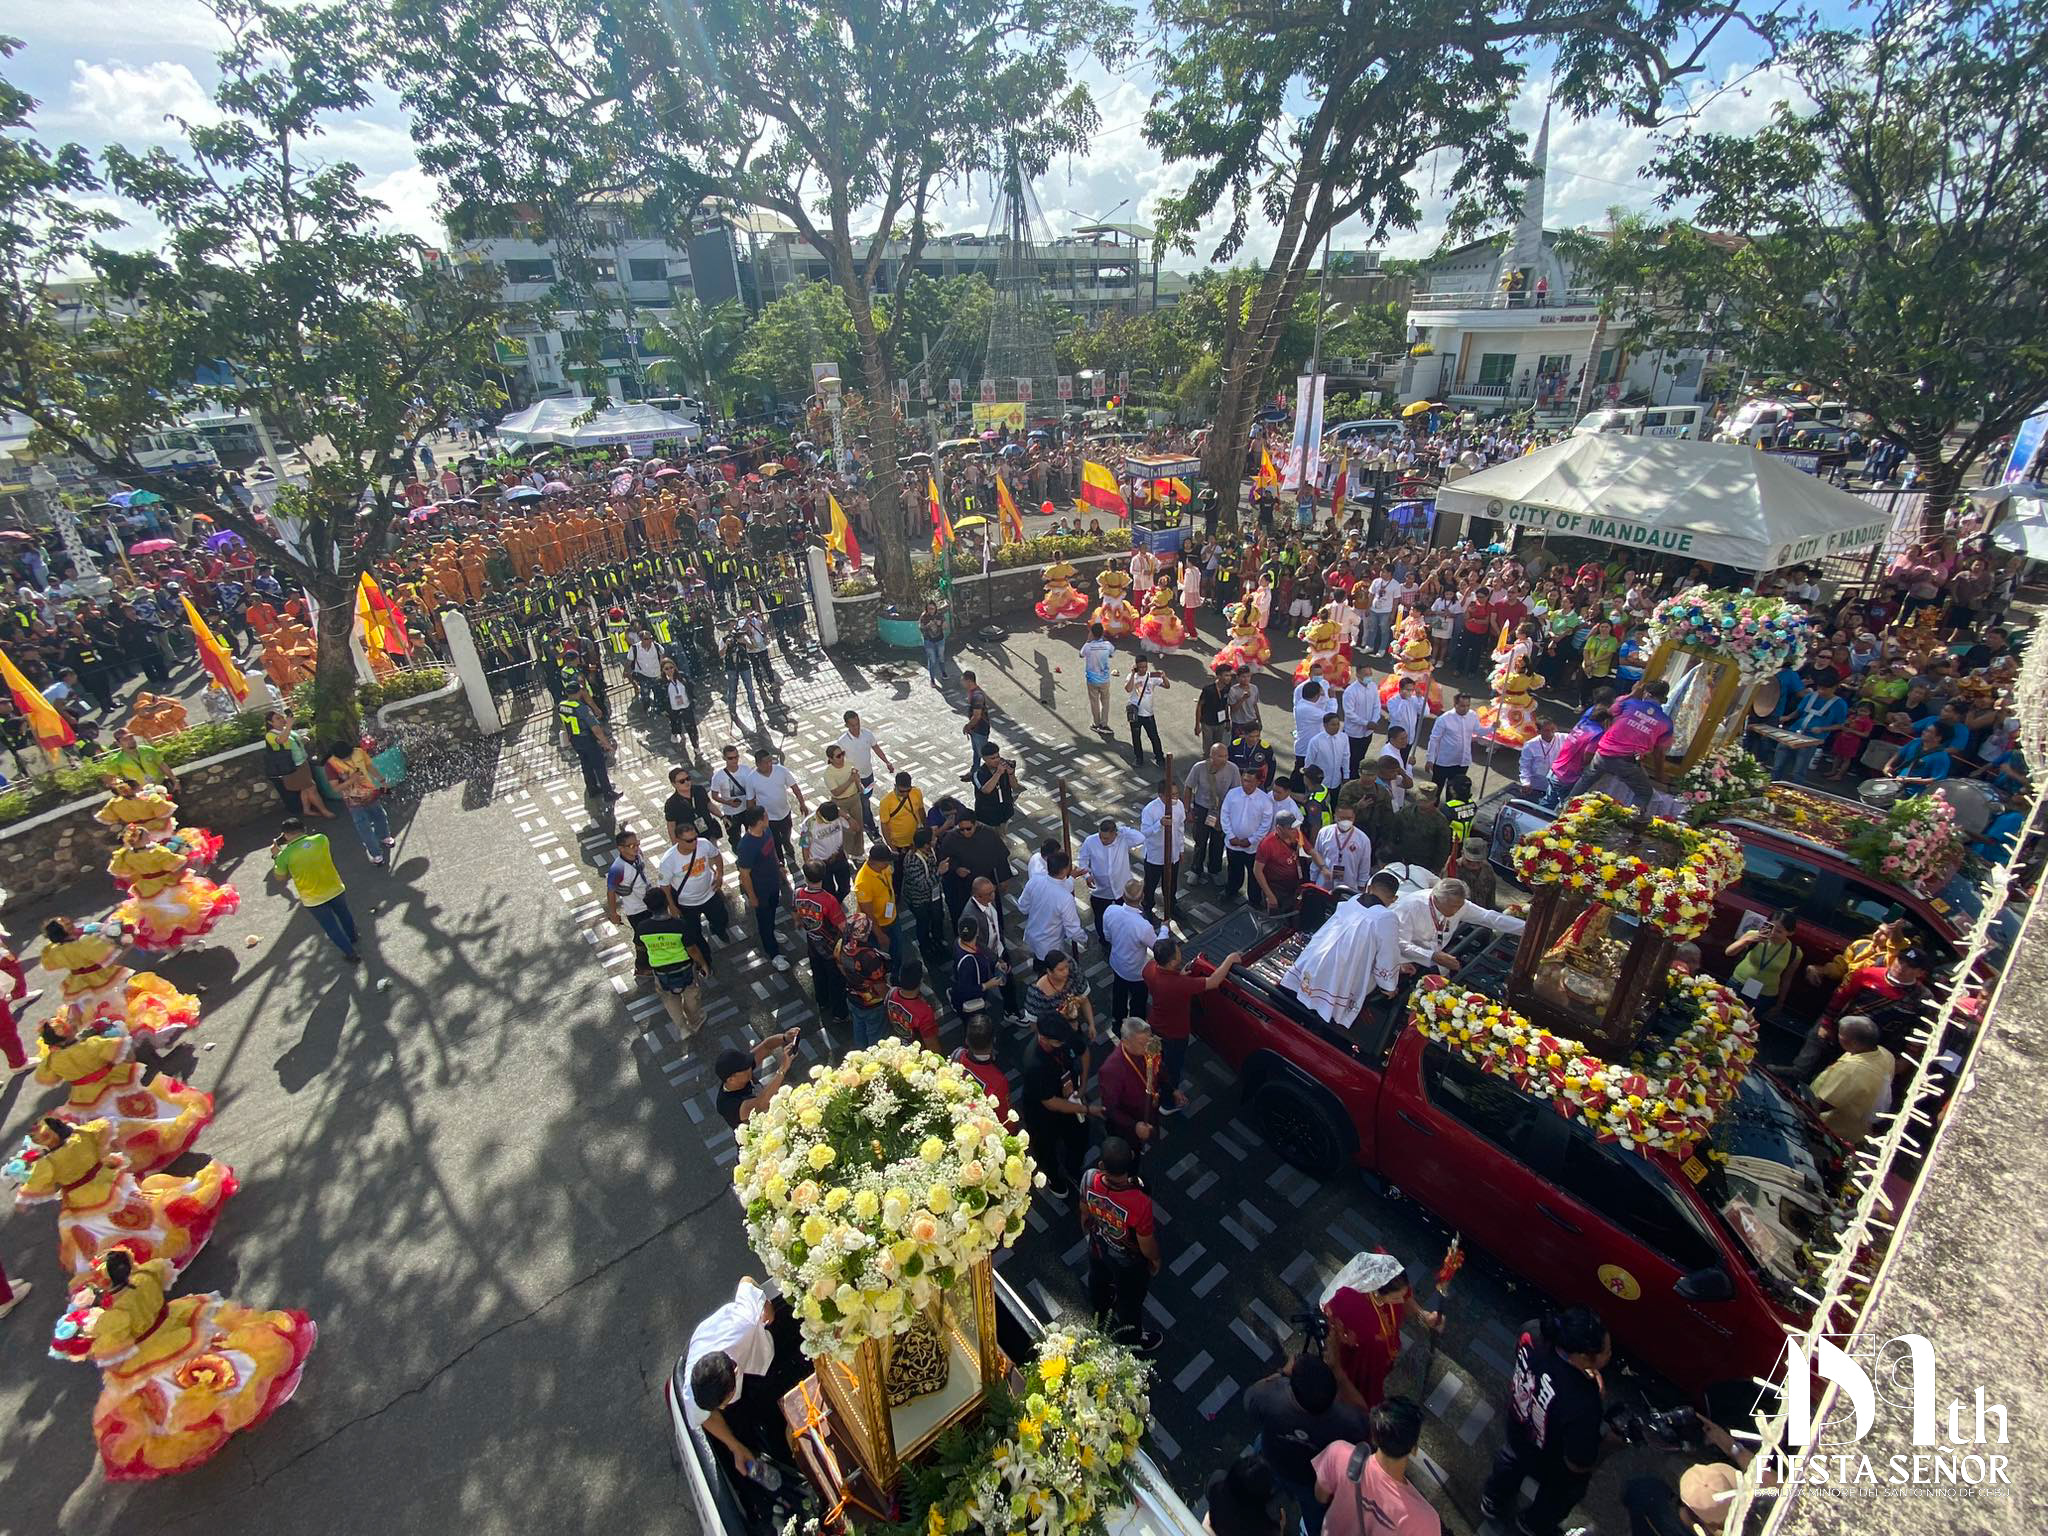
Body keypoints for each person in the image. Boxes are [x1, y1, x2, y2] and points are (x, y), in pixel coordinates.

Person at [1481, 1308, 1612, 1536]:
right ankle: (1530, 1525)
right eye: (1607, 1351)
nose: (1610, 1355)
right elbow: (1578, 1462)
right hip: (1548, 1457)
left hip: (1517, 1424)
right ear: (1582, 1357)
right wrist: (1611, 1443)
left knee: (1510, 1460)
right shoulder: (1583, 1400)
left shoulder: (1532, 1331)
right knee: (1564, 1490)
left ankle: (1492, 1501)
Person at [682, 1277, 785, 1503]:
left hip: (760, 1354)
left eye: (725, 1401)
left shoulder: (743, 1323)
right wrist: (736, 1448)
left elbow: (746, 1281)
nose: (723, 1408)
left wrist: (766, 1306)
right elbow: (706, 1417)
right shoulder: (692, 1396)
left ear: (736, 1372)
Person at [1245, 1353, 1372, 1536]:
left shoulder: (1270, 1398)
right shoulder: (1344, 1421)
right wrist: (1340, 1375)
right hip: (1311, 1482)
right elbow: (1363, 1417)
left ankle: (1257, 1501)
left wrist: (1282, 1373)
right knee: (1316, 1519)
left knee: (1259, 1472)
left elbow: (1251, 1397)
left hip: (1271, 1458)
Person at [1322, 1254, 1442, 1413]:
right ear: (1377, 1290)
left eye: (1401, 1295)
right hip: (1361, 1362)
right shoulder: (1350, 1305)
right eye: (1395, 1297)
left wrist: (1423, 1315)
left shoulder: (1390, 1279)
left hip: (1382, 1358)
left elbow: (1406, 1298)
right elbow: (1336, 1335)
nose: (1400, 1301)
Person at [1079, 1136, 1161, 1349]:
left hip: (1098, 1244)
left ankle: (1101, 1311)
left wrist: (1091, 1235)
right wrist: (1154, 1260)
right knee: (1130, 1303)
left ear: (1101, 1166)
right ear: (1131, 1159)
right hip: (1127, 1262)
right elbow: (1146, 1242)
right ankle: (1132, 1339)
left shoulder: (1089, 1178)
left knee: (1098, 1280)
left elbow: (1084, 1212)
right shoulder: (1140, 1202)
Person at [1313, 1398, 1439, 1536]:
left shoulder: (1338, 1454)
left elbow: (1320, 1496)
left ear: (1374, 1437)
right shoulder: (1425, 1520)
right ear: (1414, 1449)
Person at [1142, 936, 1239, 1109]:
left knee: (1157, 1061)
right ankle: (1168, 1103)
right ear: (1171, 962)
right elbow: (1214, 981)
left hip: (1154, 1025)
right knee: (1172, 1069)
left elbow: (1166, 982)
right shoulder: (1179, 984)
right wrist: (1230, 959)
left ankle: (1153, 1084)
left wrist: (1179, 975)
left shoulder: (1149, 969)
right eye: (1178, 954)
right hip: (1174, 1034)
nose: (1181, 955)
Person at [1020, 1001, 1095, 1198]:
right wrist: (1085, 1109)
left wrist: (1084, 1084)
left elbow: (1084, 1051)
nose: (1062, 1044)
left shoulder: (1064, 1034)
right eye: (1057, 1043)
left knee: (1080, 1137)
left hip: (1070, 1095)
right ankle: (1054, 1177)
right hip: (1042, 1112)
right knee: (1045, 1148)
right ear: (1043, 1037)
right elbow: (1049, 1101)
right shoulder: (1034, 1063)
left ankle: (1073, 1169)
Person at [269, 816, 361, 964]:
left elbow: (280, 878)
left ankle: (350, 954)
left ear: (285, 835)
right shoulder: (321, 839)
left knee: (331, 927)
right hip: (335, 888)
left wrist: (276, 855)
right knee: (344, 914)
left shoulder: (284, 855)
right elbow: (306, 847)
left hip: (313, 899)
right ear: (303, 829)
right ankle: (353, 937)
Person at [1391, 875, 1524, 976]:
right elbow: (1398, 942)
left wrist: (1527, 929)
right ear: (1436, 899)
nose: (1457, 911)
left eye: (1460, 906)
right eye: (1453, 906)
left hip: (1436, 956)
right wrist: (1432, 956)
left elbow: (1489, 918)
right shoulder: (1412, 906)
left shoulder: (1459, 904)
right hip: (1402, 959)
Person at [1566, 680, 1671, 808]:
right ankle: (1631, 821)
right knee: (1645, 793)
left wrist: (1633, 693)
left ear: (1646, 694)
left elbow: (1610, 710)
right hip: (1627, 762)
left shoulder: (1629, 704)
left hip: (1603, 753)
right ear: (1664, 699)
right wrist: (1660, 775)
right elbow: (1659, 752)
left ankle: (1564, 808)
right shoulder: (1666, 722)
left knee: (1585, 780)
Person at [1810, 1014, 1896, 1142]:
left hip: (1830, 1130)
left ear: (1853, 1042)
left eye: (1840, 1034)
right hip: (1858, 1128)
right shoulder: (1886, 1055)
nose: (1837, 1036)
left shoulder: (1851, 1070)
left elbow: (1822, 1104)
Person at [659, 820, 728, 978]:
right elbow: (665, 886)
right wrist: (672, 906)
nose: (694, 842)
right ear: (678, 840)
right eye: (690, 840)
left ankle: (718, 929)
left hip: (709, 894)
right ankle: (706, 962)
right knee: (695, 935)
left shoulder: (703, 844)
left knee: (722, 918)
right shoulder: (668, 860)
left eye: (695, 837)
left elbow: (716, 856)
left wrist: (719, 874)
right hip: (687, 904)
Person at [633, 891, 707, 1038]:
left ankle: (682, 1028)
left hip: (661, 972)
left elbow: (640, 947)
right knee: (691, 995)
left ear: (648, 908)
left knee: (670, 1000)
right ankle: (695, 1021)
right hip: (684, 968)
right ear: (667, 903)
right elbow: (692, 949)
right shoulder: (679, 925)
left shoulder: (642, 928)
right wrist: (703, 964)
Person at [734, 807, 793, 973]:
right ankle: (773, 953)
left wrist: (779, 866)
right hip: (760, 889)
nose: (768, 817)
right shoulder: (746, 846)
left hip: (773, 882)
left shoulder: (766, 832)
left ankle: (772, 930)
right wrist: (752, 896)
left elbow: (772, 850)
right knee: (763, 920)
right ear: (760, 820)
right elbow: (745, 874)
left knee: (772, 911)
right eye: (766, 816)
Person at [793, 862, 850, 1027]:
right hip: (831, 947)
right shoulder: (829, 900)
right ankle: (840, 1013)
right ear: (823, 876)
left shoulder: (798, 893)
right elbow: (842, 926)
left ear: (805, 876)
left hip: (812, 941)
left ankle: (823, 1001)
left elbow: (795, 913)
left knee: (818, 973)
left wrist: (798, 923)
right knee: (836, 979)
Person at [1103, 878, 1168, 1022]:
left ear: (1123, 896)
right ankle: (1136, 1024)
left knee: (1118, 994)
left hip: (1117, 963)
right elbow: (1158, 948)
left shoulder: (1110, 911)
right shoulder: (1143, 926)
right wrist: (1164, 929)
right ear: (1142, 897)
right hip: (1136, 972)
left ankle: (1117, 1020)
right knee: (1138, 1002)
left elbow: (1107, 936)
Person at [1098, 1015, 1163, 1158]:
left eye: (1149, 1040)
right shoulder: (1112, 1070)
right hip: (1128, 1127)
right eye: (1141, 1043)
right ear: (1125, 1042)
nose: (1148, 1047)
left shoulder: (1147, 1049)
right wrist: (1135, 1126)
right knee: (1130, 1158)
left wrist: (1172, 1090)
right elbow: (1110, 1109)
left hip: (1149, 1110)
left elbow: (1159, 1069)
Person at [1077, 817, 1145, 944]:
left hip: (1122, 889)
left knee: (1127, 918)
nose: (1103, 840)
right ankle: (1103, 941)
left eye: (1107, 838)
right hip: (1101, 890)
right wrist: (1087, 875)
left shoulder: (1123, 839)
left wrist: (1123, 830)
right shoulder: (1090, 841)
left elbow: (1140, 838)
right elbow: (1082, 859)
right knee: (1100, 918)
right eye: (1101, 836)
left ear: (1115, 834)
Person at [714, 1031, 800, 1129]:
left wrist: (784, 1037)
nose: (749, 1067)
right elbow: (760, 1104)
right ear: (731, 1079)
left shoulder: (743, 1070)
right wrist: (782, 1069)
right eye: (745, 1068)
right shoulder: (727, 1105)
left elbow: (766, 1046)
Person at [604, 827, 660, 977]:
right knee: (642, 939)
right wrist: (613, 913)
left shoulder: (637, 856)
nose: (636, 848)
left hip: (649, 902)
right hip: (636, 910)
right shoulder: (617, 868)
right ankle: (642, 967)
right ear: (620, 848)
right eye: (632, 846)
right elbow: (610, 891)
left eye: (637, 844)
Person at [1725, 908, 1804, 1014]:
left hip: (1764, 994)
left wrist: (1780, 1003)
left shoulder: (1794, 952)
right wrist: (1747, 940)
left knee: (1746, 1024)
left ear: (1790, 933)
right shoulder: (1753, 934)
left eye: (1779, 931)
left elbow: (1787, 978)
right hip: (1738, 983)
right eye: (1771, 927)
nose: (1773, 933)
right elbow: (1729, 952)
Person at [1184, 744, 1242, 885]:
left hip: (1222, 810)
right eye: (1221, 756)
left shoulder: (1232, 769)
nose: (1224, 759)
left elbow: (1236, 793)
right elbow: (1188, 787)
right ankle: (1196, 870)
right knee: (1200, 841)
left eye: (1226, 755)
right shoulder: (1199, 767)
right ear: (1212, 756)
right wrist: (1188, 810)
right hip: (1202, 809)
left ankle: (1214, 871)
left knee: (1218, 842)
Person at [742, 748, 805, 874]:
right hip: (768, 819)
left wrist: (802, 803)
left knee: (787, 832)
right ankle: (780, 862)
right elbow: (750, 801)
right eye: (766, 762)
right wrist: (753, 820)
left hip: (785, 812)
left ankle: (787, 844)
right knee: (774, 840)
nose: (769, 764)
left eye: (770, 761)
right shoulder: (751, 779)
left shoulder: (781, 770)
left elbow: (794, 787)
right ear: (758, 764)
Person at [1018, 848, 1086, 961]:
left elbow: (1023, 907)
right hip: (1050, 946)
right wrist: (1084, 939)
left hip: (1032, 937)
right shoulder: (1065, 898)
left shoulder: (1034, 881)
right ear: (1064, 870)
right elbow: (1073, 930)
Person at [262, 710, 333, 819]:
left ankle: (307, 810)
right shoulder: (270, 735)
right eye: (278, 718)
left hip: (302, 762)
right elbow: (281, 740)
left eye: (281, 717)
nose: (282, 720)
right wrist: (289, 724)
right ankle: (324, 811)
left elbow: (292, 743)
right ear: (270, 723)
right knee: (311, 788)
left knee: (304, 788)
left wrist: (302, 740)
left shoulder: (287, 730)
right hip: (293, 766)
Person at [1221, 766, 1277, 904]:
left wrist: (1251, 840)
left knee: (1254, 875)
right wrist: (1231, 836)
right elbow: (1224, 815)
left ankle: (1254, 900)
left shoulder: (1265, 800)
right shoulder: (1232, 794)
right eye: (1244, 780)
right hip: (1233, 845)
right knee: (1234, 870)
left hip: (1253, 848)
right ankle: (1231, 890)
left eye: (1250, 781)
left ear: (1258, 782)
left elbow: (1266, 824)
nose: (1246, 784)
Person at [837, 914, 892, 1047]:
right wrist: (890, 1000)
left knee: (859, 1028)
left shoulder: (842, 944)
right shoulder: (870, 958)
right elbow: (880, 987)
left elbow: (838, 962)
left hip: (852, 996)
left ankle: (860, 1052)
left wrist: (854, 980)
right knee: (876, 1036)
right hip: (872, 1004)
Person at [561, 684, 621, 800]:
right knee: (599, 766)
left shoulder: (562, 706)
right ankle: (608, 793)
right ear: (578, 692)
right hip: (587, 739)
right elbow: (596, 729)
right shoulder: (581, 708)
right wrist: (606, 744)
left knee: (585, 764)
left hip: (574, 739)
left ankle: (592, 788)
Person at [1139, 784, 1186, 918]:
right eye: (1172, 795)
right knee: (1150, 884)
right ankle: (1147, 907)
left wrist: (1181, 849)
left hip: (1173, 854)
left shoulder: (1179, 805)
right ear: (1161, 796)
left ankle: (1171, 905)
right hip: (1155, 855)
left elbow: (1180, 828)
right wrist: (1159, 824)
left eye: (1177, 794)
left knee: (1171, 883)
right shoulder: (1150, 810)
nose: (1175, 798)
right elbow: (1145, 833)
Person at [1424, 691, 1479, 805]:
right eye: (1462, 706)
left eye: (1468, 705)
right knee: (1436, 790)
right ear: (1455, 705)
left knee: (1455, 791)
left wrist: (1492, 728)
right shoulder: (1444, 719)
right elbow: (1434, 739)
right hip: (1443, 762)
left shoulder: (1472, 715)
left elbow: (1478, 730)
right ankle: (1432, 811)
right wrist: (1430, 759)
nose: (1465, 708)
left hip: (1461, 762)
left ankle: (1450, 814)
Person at [884, 958, 940, 1051]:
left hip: (900, 1044)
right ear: (921, 980)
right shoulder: (924, 1012)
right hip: (918, 1051)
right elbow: (932, 1044)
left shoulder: (891, 993)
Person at [1314, 802, 1372, 890]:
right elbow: (1317, 855)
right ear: (1335, 817)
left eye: (1349, 818)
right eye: (1342, 818)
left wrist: (1361, 886)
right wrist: (1313, 878)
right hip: (1324, 884)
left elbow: (1365, 866)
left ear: (1354, 817)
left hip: (1349, 886)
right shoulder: (1324, 833)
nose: (1346, 821)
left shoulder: (1363, 839)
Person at [709, 744, 755, 846]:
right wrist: (728, 802)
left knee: (753, 836)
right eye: (730, 758)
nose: (734, 760)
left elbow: (753, 786)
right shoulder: (718, 776)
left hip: (747, 809)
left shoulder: (746, 769)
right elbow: (714, 795)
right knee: (735, 839)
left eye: (736, 757)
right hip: (730, 814)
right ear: (724, 758)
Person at [1126, 656, 1167, 768]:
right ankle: (1139, 758)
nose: (1143, 669)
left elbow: (1166, 686)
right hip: (1136, 713)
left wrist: (1164, 677)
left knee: (1154, 737)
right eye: (1140, 667)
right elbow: (1128, 689)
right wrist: (1133, 674)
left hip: (1148, 714)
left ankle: (1159, 758)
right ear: (1136, 667)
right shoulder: (1132, 676)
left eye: (1145, 667)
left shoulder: (1152, 676)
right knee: (1136, 737)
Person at [1081, 622, 1116, 735]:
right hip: (1104, 679)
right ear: (1102, 633)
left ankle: (1096, 724)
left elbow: (1081, 654)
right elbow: (1112, 653)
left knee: (1094, 702)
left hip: (1092, 680)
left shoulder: (1088, 646)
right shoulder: (1107, 645)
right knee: (1105, 702)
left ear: (1091, 633)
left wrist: (1088, 640)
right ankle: (1104, 724)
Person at [1517, 716, 1561, 799]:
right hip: (1536, 785)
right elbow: (1524, 765)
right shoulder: (1530, 745)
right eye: (1547, 730)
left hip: (1555, 783)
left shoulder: (1562, 738)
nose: (1551, 733)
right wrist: (1526, 782)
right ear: (1538, 732)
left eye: (1552, 729)